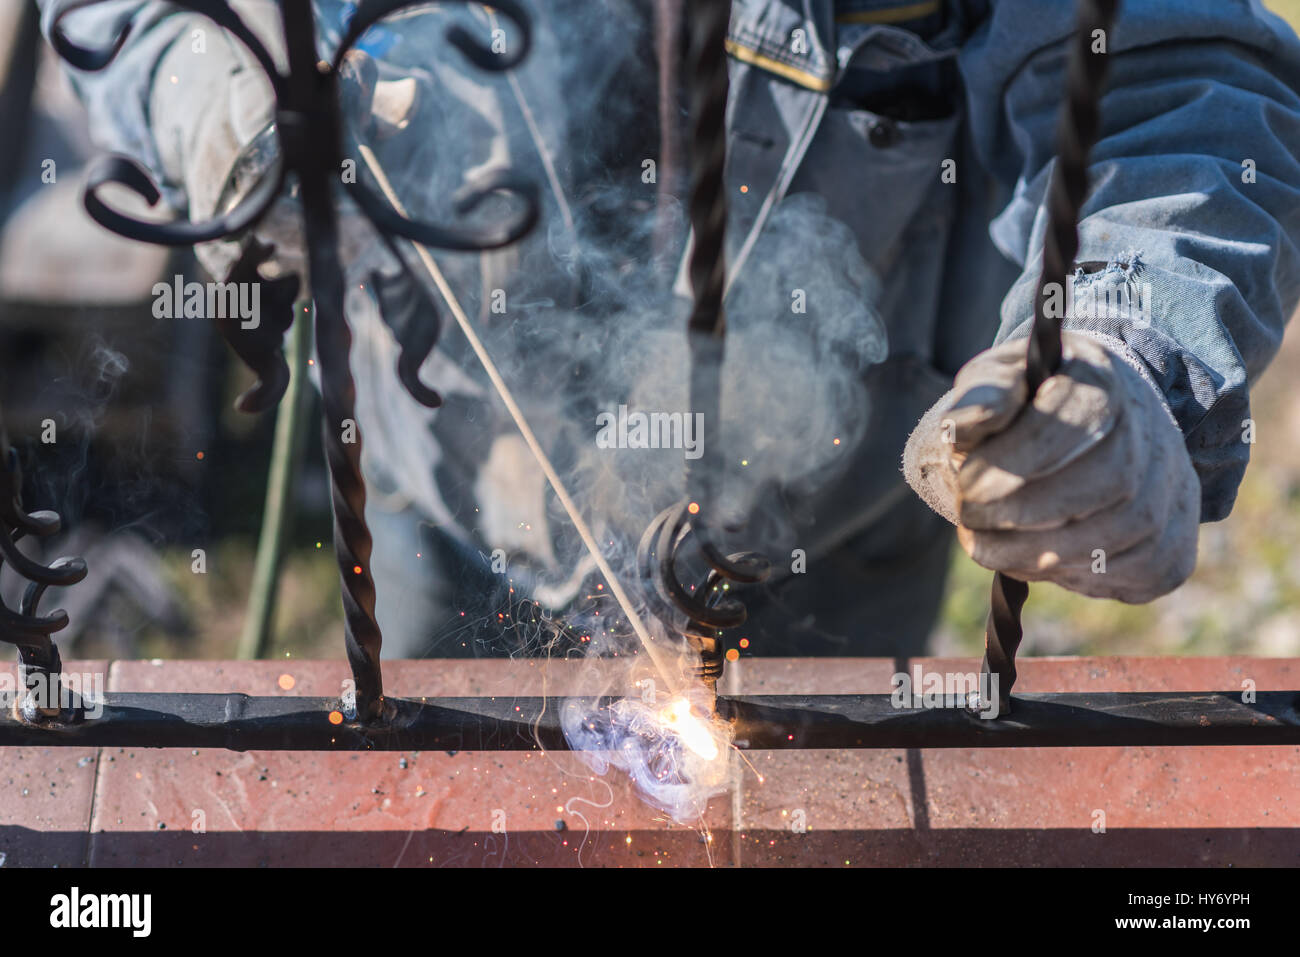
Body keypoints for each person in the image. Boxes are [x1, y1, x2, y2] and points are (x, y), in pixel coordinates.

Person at [38, 0, 1300, 659]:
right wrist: (200, 74)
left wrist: (1119, 345)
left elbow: (1162, 90)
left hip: (844, 521)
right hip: (465, 486)